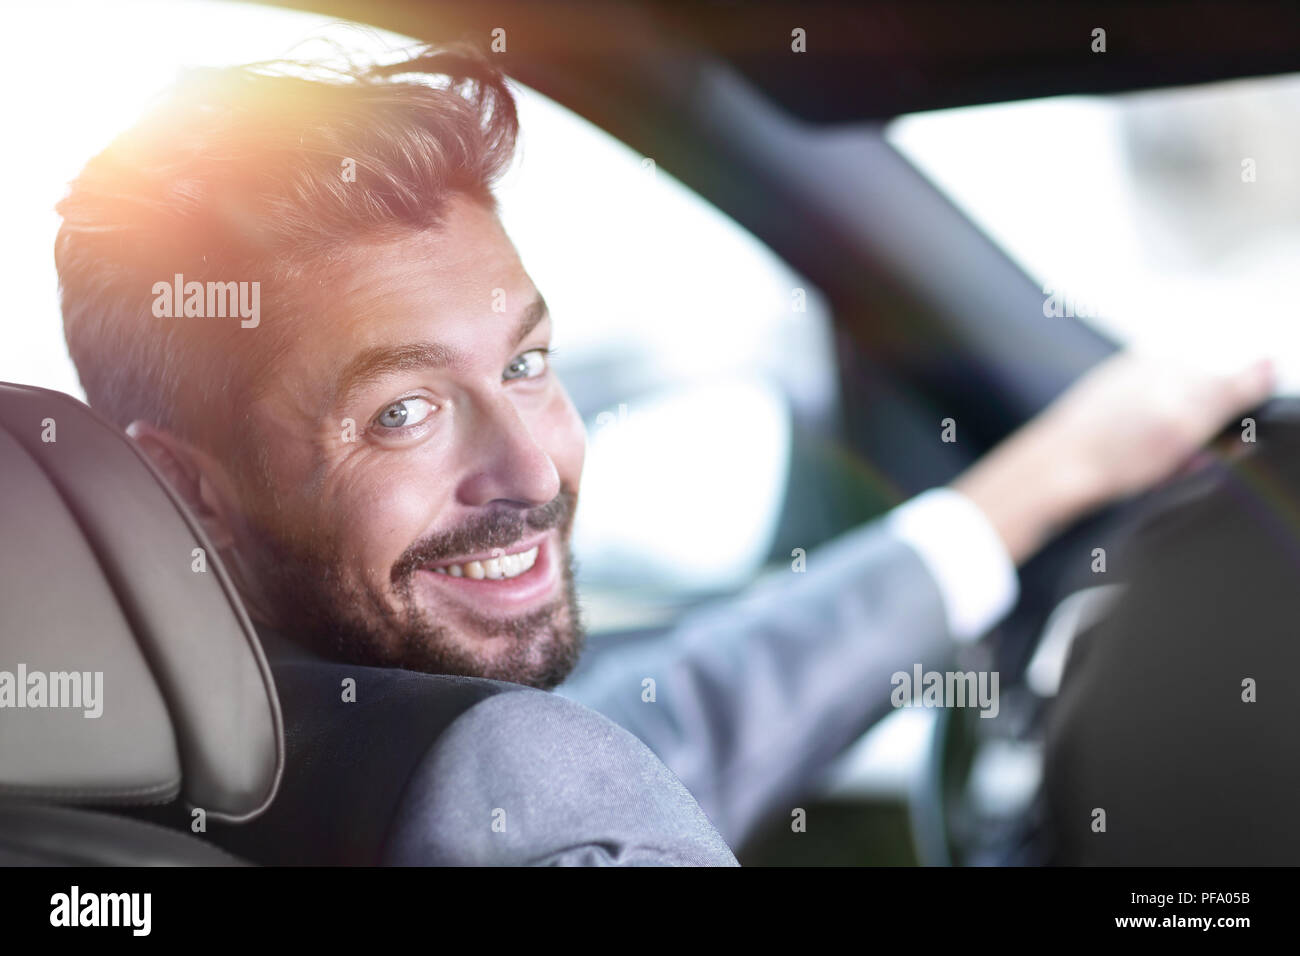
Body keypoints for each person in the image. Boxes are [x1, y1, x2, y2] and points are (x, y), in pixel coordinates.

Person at [53, 43, 1273, 861]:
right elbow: (554, 779)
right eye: (403, 412)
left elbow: (647, 729)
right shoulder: (517, 792)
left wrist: (1027, 489)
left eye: (526, 365)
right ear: (190, 490)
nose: (530, 471)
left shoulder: (179, 759)